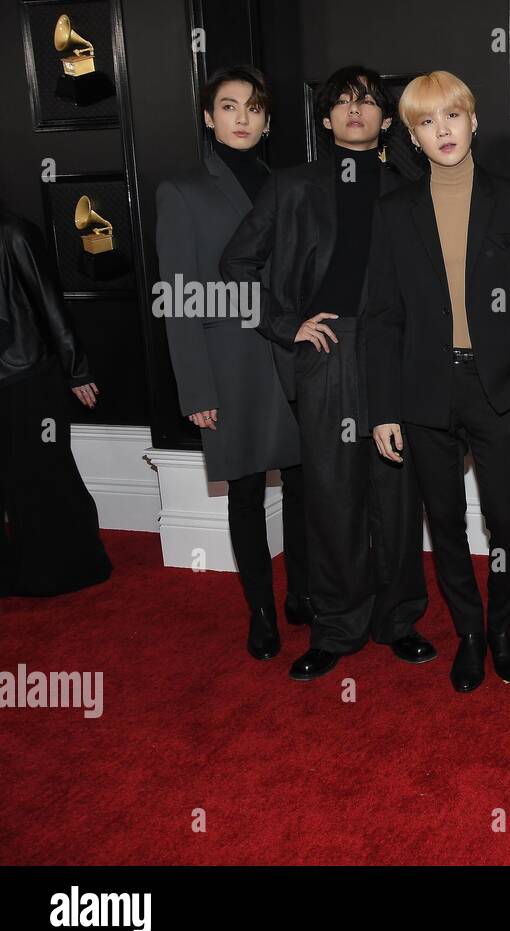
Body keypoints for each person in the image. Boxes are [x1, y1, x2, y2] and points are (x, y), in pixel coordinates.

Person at [221, 64, 430, 681]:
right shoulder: (291, 186)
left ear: (388, 119)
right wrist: (286, 324)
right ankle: (337, 627)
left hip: (395, 353)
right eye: (341, 102)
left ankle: (399, 621)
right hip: (328, 350)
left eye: (367, 102)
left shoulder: (411, 185)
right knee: (333, 497)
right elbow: (236, 263)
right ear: (327, 119)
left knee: (396, 498)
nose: (355, 110)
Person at [365, 71, 510, 693]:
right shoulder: (393, 212)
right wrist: (383, 408)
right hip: (424, 390)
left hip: (498, 387)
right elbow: (383, 316)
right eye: (426, 121)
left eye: (452, 116)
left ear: (473, 121)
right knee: (443, 521)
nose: (442, 130)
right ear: (413, 137)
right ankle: (469, 633)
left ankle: (502, 629)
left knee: (504, 519)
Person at [156, 65, 308, 661]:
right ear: (207, 116)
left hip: (292, 357)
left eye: (253, 108)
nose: (242, 118)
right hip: (229, 365)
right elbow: (177, 296)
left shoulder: (291, 183)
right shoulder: (183, 191)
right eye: (228, 106)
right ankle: (262, 613)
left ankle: (302, 595)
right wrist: (196, 387)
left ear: (268, 120)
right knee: (245, 492)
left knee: (302, 486)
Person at [0, 204, 112, 596]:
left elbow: (50, 301)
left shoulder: (14, 231)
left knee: (43, 472)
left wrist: (76, 368)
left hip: (27, 375)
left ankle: (65, 567)